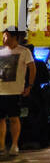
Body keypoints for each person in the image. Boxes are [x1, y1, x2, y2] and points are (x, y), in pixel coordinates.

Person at [0, 27, 35, 155]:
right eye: (3, 36)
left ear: (14, 37)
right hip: (1, 90)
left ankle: (14, 144)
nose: (4, 39)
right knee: (1, 119)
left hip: (15, 91)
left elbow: (32, 68)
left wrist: (29, 85)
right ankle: (1, 145)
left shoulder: (24, 51)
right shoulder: (1, 52)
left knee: (14, 118)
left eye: (6, 36)